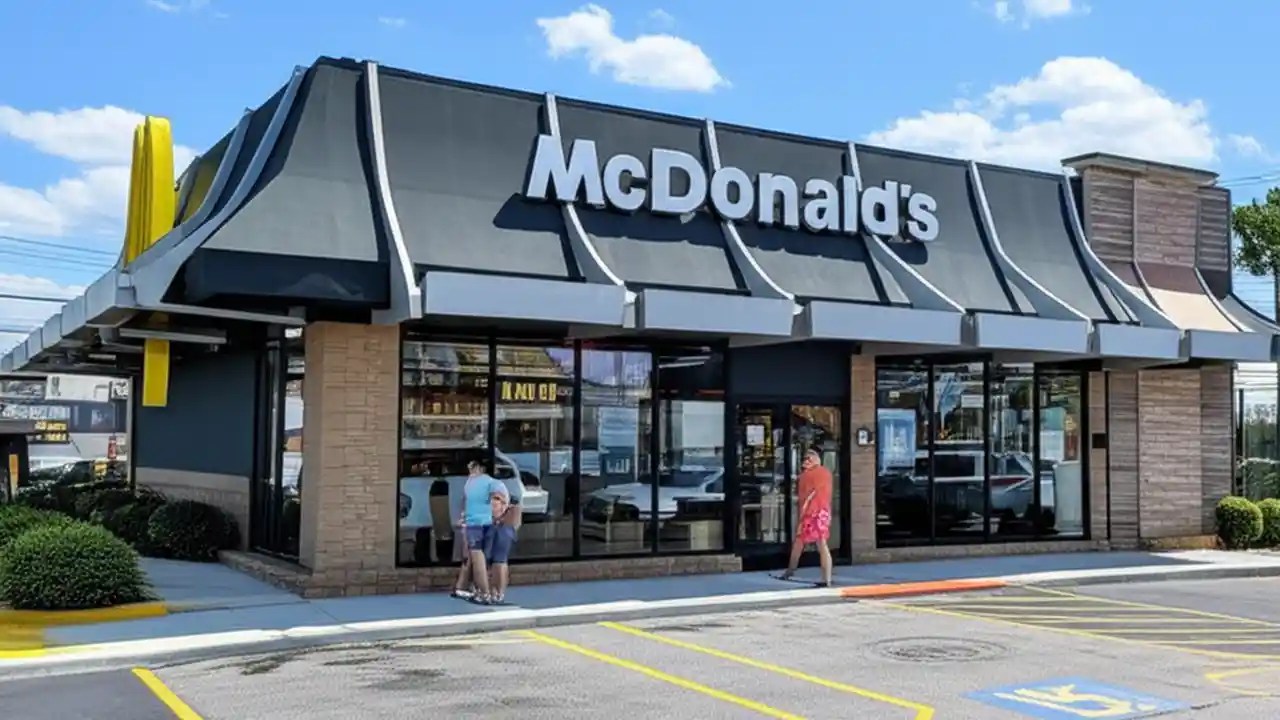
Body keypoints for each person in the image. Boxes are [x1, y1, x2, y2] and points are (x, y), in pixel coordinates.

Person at [450, 457, 508, 604]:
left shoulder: (471, 483)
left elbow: (465, 502)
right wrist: (498, 514)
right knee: (482, 558)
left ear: (479, 467)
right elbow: (503, 498)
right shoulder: (492, 483)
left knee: (478, 559)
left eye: (472, 466)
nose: (470, 469)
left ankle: (485, 593)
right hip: (488, 523)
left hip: (474, 525)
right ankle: (484, 591)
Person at [779, 448, 833, 587]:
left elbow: (807, 497)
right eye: (805, 458)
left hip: (812, 513)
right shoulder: (825, 473)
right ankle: (825, 578)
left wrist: (803, 514)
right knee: (814, 543)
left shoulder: (806, 476)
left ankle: (791, 572)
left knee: (811, 543)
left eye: (809, 458)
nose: (806, 461)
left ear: (815, 460)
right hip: (822, 512)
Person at [487, 473, 525, 604]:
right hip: (504, 528)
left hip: (501, 528)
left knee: (498, 562)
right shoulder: (512, 487)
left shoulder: (499, 488)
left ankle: (498, 593)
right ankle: (496, 592)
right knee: (497, 562)